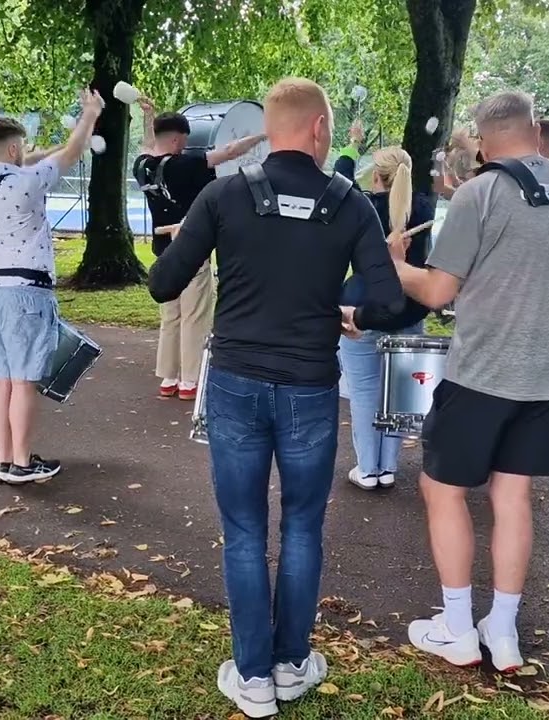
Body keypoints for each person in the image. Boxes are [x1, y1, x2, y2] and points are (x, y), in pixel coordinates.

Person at [148, 78, 405, 719]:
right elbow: (390, 298)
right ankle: (293, 663)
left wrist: (185, 239)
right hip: (311, 388)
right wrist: (353, 310)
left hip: (234, 383)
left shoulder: (225, 193)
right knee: (302, 526)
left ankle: (254, 676)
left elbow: (162, 284)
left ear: (273, 126)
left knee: (241, 531)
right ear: (319, 128)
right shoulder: (350, 204)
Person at [381, 91, 549, 670]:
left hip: (481, 374)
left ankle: (459, 627)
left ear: (484, 140)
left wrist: (396, 268)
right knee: (513, 496)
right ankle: (505, 631)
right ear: (537, 129)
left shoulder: (480, 192)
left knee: (442, 491)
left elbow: (440, 291)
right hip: (546, 378)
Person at [0, 89, 104, 485]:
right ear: (12, 151)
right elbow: (70, 155)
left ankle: (5, 460)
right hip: (28, 292)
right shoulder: (26, 184)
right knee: (25, 381)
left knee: (1, 379)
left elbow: (37, 159)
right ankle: (24, 464)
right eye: (21, 149)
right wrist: (89, 115)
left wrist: (37, 152)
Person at [135, 99, 266, 401]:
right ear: (177, 138)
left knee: (171, 317)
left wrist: (149, 117)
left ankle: (168, 378)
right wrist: (261, 135)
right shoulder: (185, 164)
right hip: (190, 250)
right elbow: (230, 152)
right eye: (183, 139)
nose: (185, 145)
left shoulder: (141, 165)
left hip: (162, 251)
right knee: (194, 316)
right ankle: (189, 381)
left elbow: (148, 143)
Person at [333, 119, 435, 490]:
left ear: (377, 175)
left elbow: (339, 173)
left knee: (364, 392)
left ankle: (368, 468)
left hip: (362, 308)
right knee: (398, 392)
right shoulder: (423, 208)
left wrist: (352, 143)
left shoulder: (357, 205)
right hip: (410, 309)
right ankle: (388, 466)